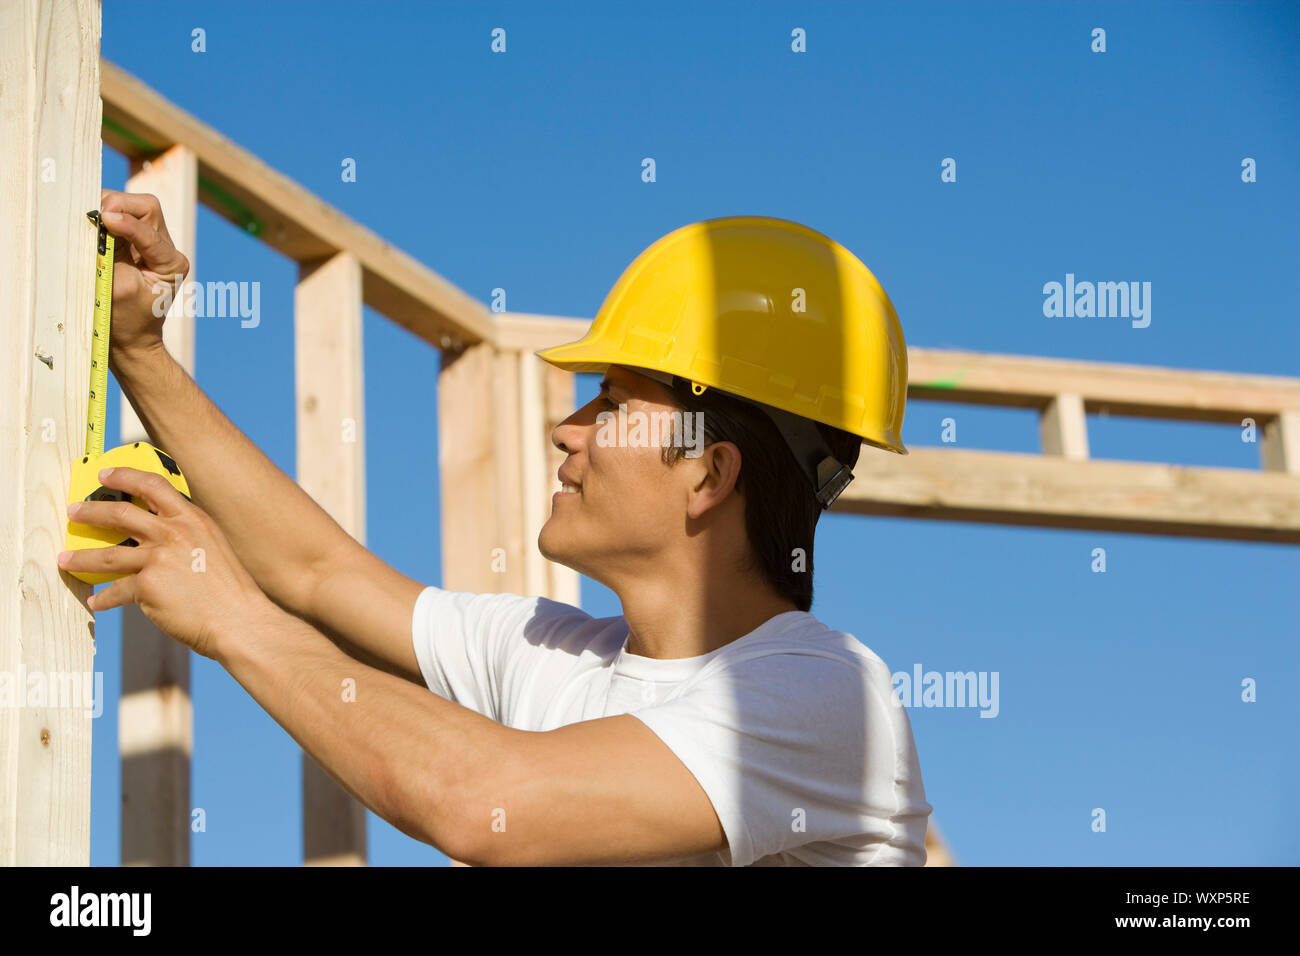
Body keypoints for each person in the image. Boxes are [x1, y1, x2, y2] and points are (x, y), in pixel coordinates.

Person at [61, 194, 931, 865]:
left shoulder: (827, 698)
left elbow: (483, 803)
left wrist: (236, 620)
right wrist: (141, 352)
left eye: (612, 405)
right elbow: (316, 571)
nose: (567, 429)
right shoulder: (554, 655)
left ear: (708, 473)